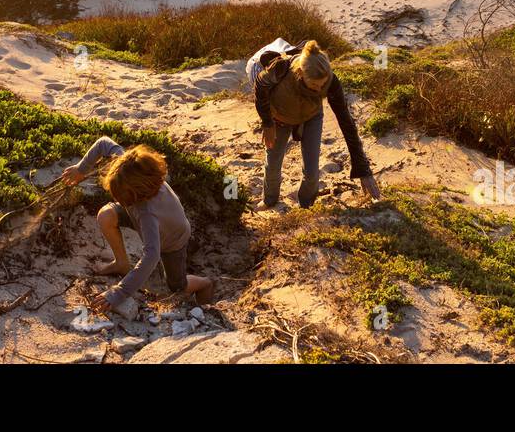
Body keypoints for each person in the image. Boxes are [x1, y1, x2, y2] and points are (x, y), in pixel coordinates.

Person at [59, 136, 213, 313]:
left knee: (177, 285)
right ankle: (121, 263)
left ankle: (205, 283)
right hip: (150, 218)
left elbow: (151, 256)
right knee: (106, 215)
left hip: (173, 241)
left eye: (120, 197)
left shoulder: (147, 214)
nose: (116, 199)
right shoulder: (129, 168)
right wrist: (81, 169)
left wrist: (120, 292)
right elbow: (103, 143)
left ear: (136, 196)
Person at [248, 38, 381, 208]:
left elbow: (346, 122)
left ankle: (306, 206)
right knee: (273, 164)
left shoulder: (331, 82)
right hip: (279, 118)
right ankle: (269, 200)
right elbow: (260, 85)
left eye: (322, 84)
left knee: (311, 172)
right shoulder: (281, 68)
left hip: (311, 117)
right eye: (314, 85)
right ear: (301, 73)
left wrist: (363, 170)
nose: (319, 90)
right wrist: (267, 124)